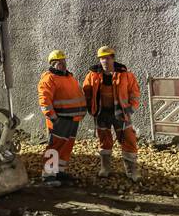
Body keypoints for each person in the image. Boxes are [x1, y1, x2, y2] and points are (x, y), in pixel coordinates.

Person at [83, 45, 142, 181]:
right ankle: (105, 167)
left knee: (128, 139)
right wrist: (91, 109)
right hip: (102, 114)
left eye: (107, 58)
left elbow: (135, 93)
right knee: (104, 140)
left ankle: (131, 170)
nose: (104, 61)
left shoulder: (125, 74)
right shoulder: (92, 75)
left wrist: (130, 109)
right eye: (102, 58)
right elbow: (86, 93)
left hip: (121, 114)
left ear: (113, 59)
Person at [37, 50, 87, 186]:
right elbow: (45, 102)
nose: (63, 64)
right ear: (53, 64)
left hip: (73, 119)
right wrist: (54, 119)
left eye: (64, 61)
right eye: (59, 62)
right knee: (55, 146)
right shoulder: (49, 79)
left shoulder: (69, 77)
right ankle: (48, 175)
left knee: (66, 146)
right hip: (60, 120)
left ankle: (59, 171)